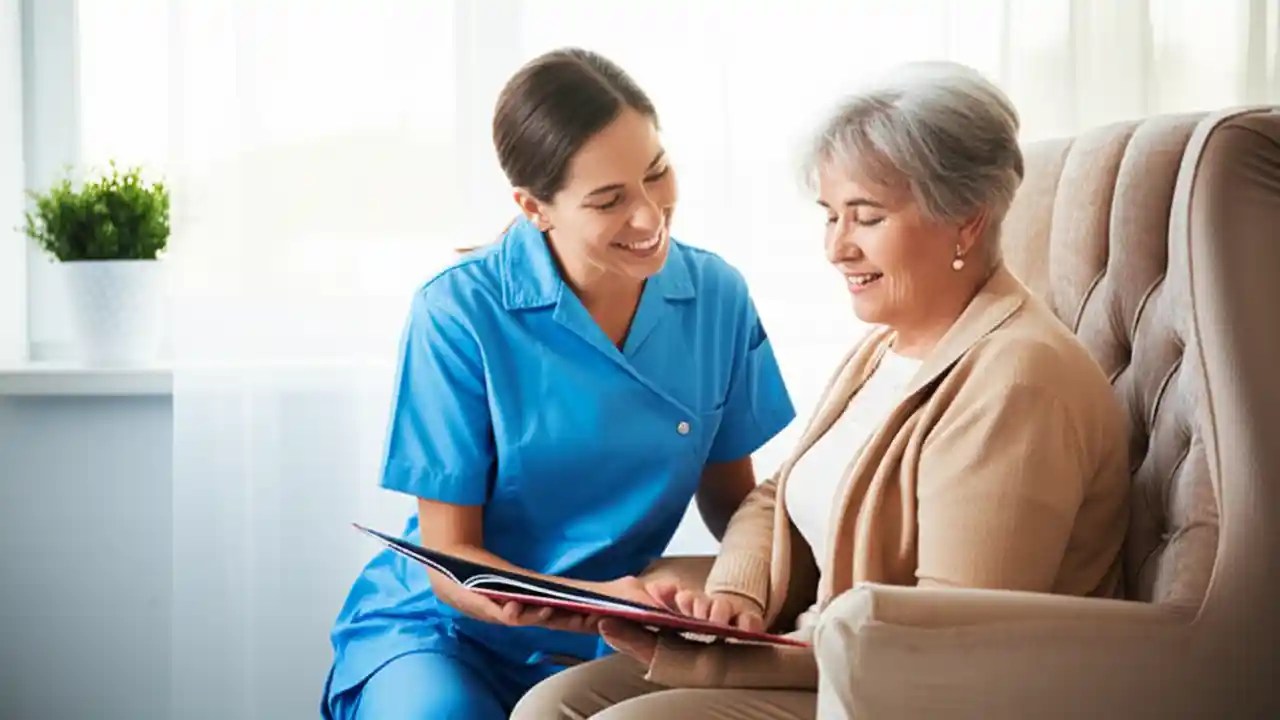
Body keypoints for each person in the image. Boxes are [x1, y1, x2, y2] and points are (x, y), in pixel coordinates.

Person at [513, 61, 1131, 720]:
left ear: (968, 221)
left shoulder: (1014, 381)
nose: (837, 247)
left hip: (905, 694)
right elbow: (780, 492)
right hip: (826, 653)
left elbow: (947, 648)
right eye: (830, 215)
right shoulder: (890, 347)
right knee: (550, 706)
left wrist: (710, 658)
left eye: (864, 218)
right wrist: (737, 596)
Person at [321, 48, 796, 719]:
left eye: (657, 173)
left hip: (616, 635)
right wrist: (579, 598)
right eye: (608, 200)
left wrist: (748, 592)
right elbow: (449, 555)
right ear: (533, 206)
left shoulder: (716, 295)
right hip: (446, 634)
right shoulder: (458, 313)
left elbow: (734, 506)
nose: (649, 215)